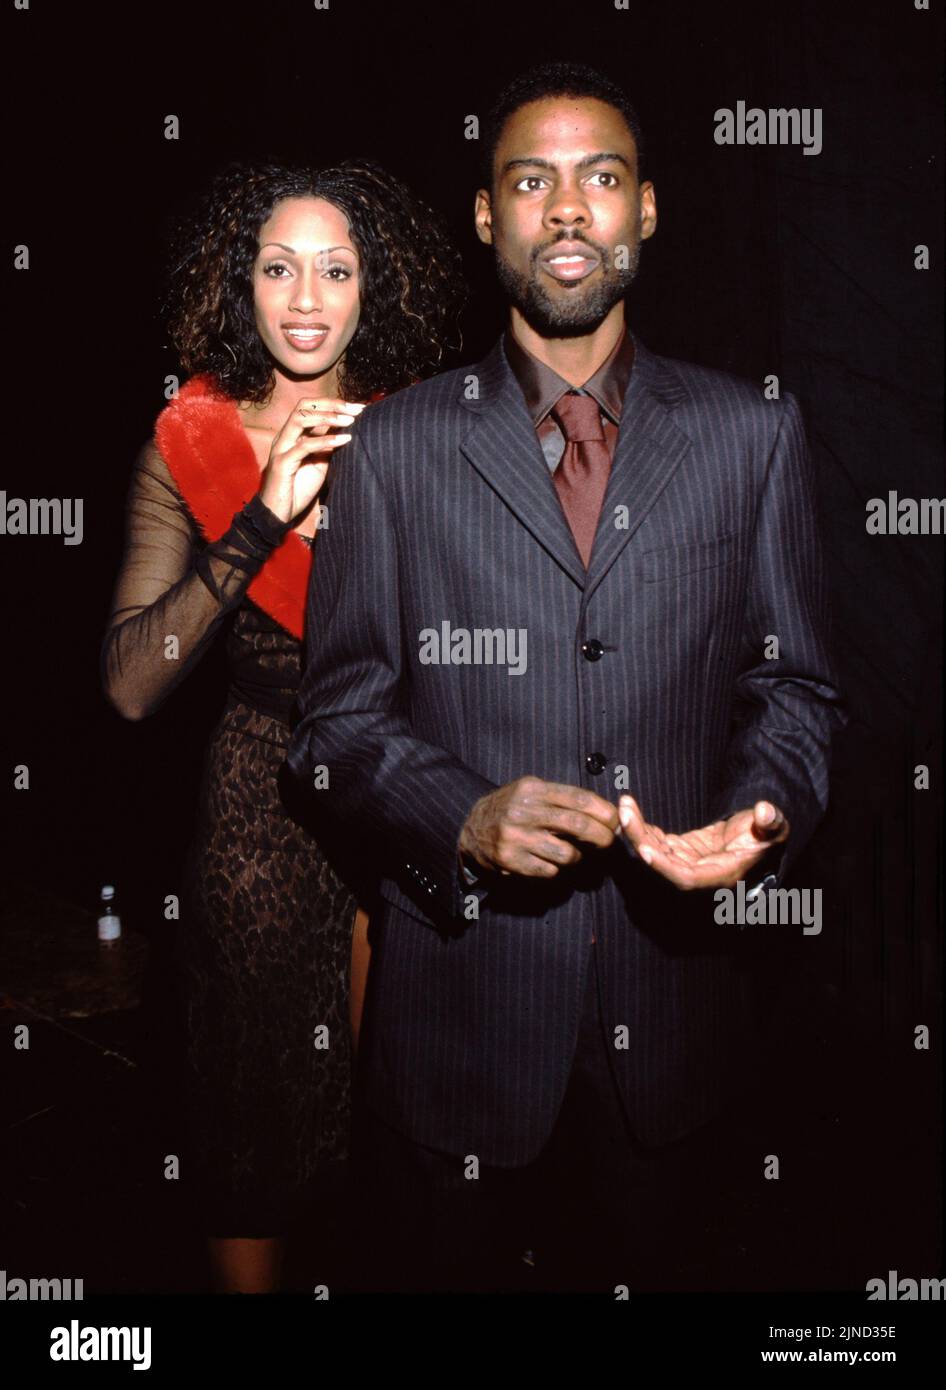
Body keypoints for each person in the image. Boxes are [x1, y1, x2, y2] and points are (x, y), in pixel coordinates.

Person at [286, 63, 847, 1293]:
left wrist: (762, 813)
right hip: (461, 1038)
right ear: (487, 218)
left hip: (682, 1041)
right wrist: (460, 814)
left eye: (600, 178)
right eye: (530, 181)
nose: (568, 211)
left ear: (646, 208)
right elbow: (330, 723)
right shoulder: (393, 448)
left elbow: (796, 687)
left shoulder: (752, 434)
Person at [100, 159, 465, 1293]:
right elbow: (129, 684)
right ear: (239, 284)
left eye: (336, 268)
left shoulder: (429, 433)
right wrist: (262, 516)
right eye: (277, 266)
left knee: (397, 1130)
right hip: (260, 816)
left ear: (375, 287)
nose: (306, 297)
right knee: (253, 1135)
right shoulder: (189, 442)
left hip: (405, 795)